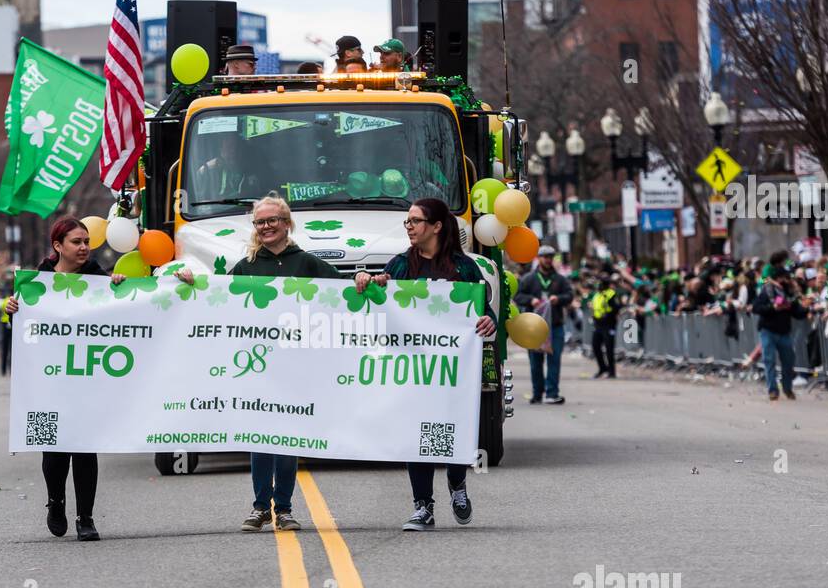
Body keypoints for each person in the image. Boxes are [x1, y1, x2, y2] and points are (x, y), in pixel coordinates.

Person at [175, 195, 355, 533]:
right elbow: (218, 296)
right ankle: (260, 507)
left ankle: (283, 509)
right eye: (260, 222)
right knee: (260, 438)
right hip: (257, 366)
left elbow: (346, 291)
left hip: (296, 366)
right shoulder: (246, 267)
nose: (266, 226)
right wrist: (192, 283)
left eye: (272, 220)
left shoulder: (307, 263)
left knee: (286, 439)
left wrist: (363, 280)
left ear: (287, 223)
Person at [378, 198, 497, 532]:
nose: (409, 227)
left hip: (453, 369)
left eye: (415, 221)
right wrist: (370, 284)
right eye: (407, 221)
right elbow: (381, 304)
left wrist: (489, 320)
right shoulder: (400, 265)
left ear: (436, 226)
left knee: (453, 429)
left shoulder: (464, 268)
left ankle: (457, 484)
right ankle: (423, 506)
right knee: (416, 432)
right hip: (413, 367)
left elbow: (485, 309)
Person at [3, 217, 122, 540]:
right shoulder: (37, 282)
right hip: (48, 380)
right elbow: (27, 332)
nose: (84, 247)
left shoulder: (98, 278)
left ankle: (86, 518)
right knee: (53, 450)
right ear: (58, 246)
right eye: (76, 242)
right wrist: (13, 311)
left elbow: (121, 314)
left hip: (85, 379)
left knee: (84, 448)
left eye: (86, 241)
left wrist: (120, 287)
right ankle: (55, 503)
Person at [515, 246, 572, 404]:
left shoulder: (560, 279)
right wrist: (530, 300)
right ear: (539, 258)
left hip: (555, 326)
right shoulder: (528, 279)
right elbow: (518, 295)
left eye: (550, 257)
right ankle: (537, 393)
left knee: (554, 360)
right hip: (534, 327)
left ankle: (552, 393)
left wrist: (558, 299)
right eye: (545, 257)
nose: (548, 260)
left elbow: (569, 295)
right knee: (535, 362)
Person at [751, 253, 809, 401]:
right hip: (768, 330)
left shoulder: (788, 293)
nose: (785, 281)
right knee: (769, 360)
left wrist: (806, 308)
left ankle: (787, 388)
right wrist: (773, 307)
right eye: (782, 279)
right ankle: (772, 390)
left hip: (784, 332)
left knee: (788, 361)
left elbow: (796, 311)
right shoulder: (767, 285)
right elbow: (756, 306)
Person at [589, 273, 620, 379]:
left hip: (608, 324)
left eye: (599, 283)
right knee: (595, 346)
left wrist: (607, 315)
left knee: (609, 348)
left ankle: (612, 371)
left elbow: (616, 308)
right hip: (598, 324)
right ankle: (602, 368)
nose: (598, 285)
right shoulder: (597, 295)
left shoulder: (611, 294)